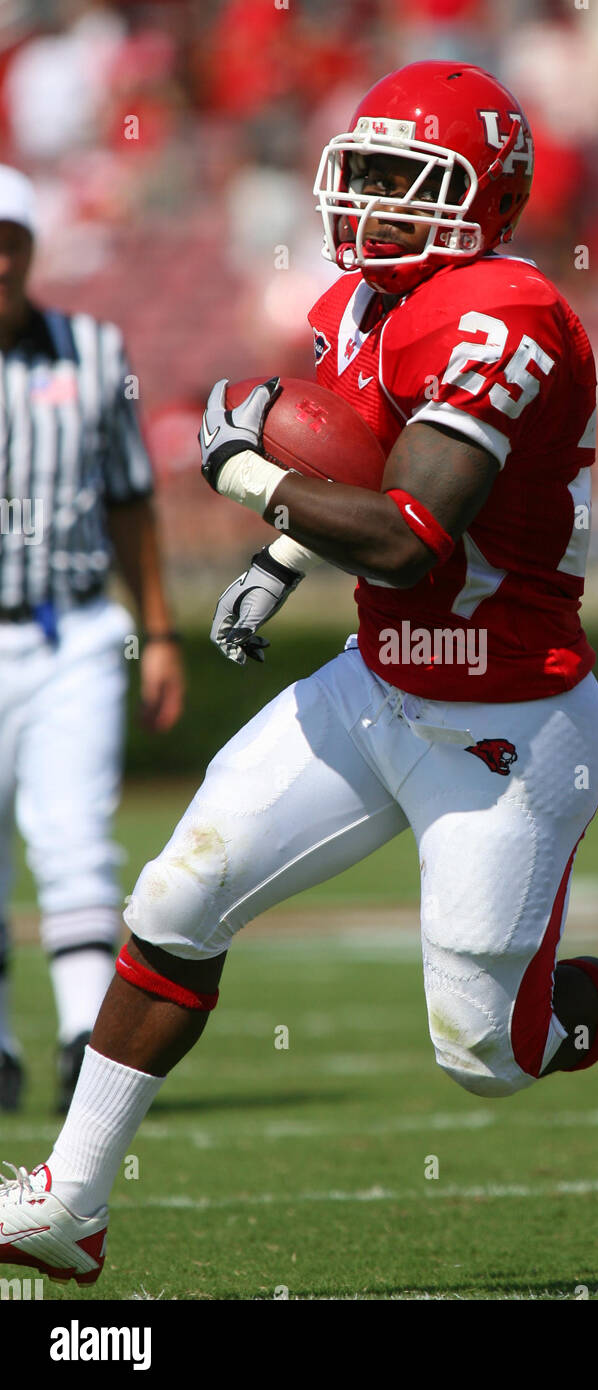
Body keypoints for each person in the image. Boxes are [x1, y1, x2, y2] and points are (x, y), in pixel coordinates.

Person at [0, 64, 598, 1285]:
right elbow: (367, 461)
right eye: (371, 174)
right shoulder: (365, 301)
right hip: (378, 680)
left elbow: (412, 533)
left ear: (487, 201)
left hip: (508, 725)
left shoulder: (504, 312)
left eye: (411, 182)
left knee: (494, 1053)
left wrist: (251, 479)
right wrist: (288, 550)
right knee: (174, 902)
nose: (377, 203)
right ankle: (68, 1202)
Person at [0, 165, 184, 1117]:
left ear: (32, 248)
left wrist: (157, 630)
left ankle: (82, 1034)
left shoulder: (92, 348)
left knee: (73, 833)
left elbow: (131, 502)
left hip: (70, 621)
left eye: (9, 239)